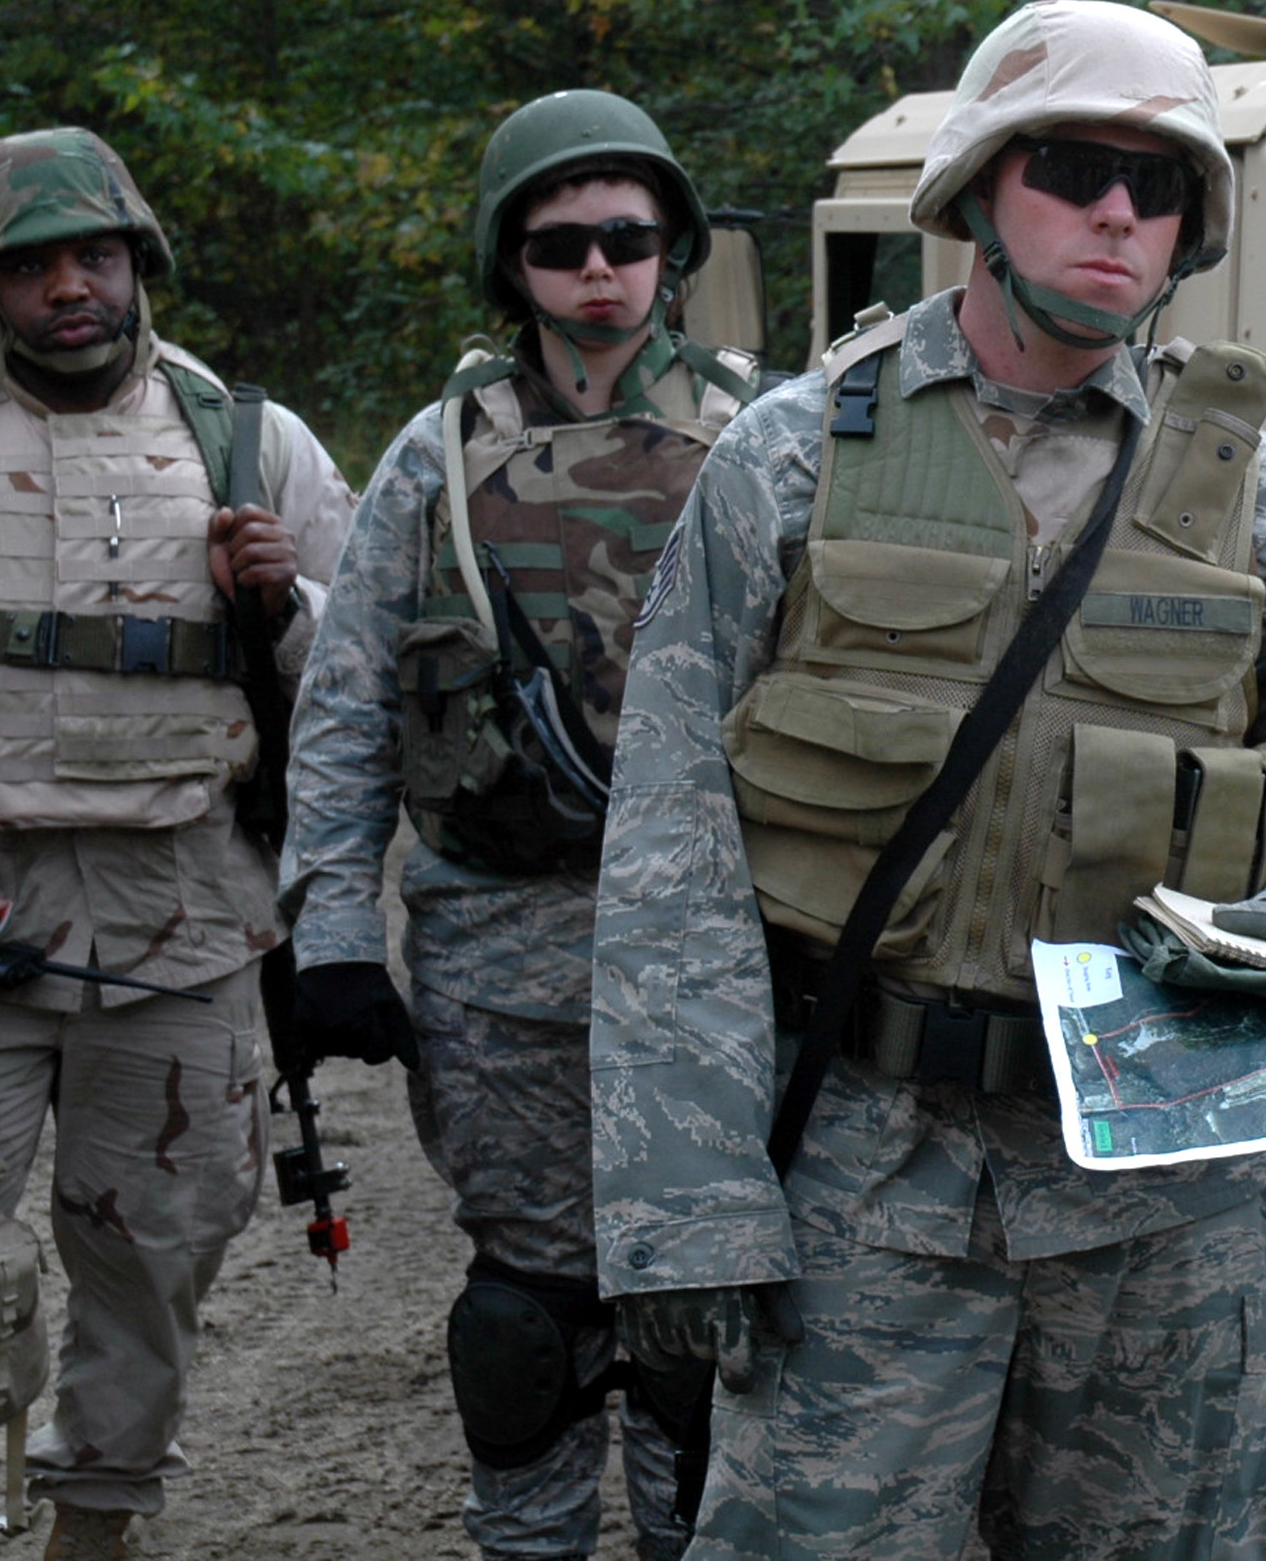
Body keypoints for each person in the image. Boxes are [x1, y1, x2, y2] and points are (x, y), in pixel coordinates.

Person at [590, 0, 1266, 1560]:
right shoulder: (793, 459)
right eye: (1076, 167)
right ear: (977, 193)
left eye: (1159, 188)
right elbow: (670, 837)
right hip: (869, 1177)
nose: (1116, 212)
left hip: (1166, 1193)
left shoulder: (1260, 501)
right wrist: (684, 1198)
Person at [280, 91, 755, 1561]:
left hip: (712, 960)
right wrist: (333, 932)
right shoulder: (437, 459)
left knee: (698, 1320)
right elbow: (350, 703)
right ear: (514, 266)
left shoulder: (768, 438)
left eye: (629, 238)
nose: (600, 272)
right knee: (527, 1324)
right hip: (500, 948)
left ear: (672, 248)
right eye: (562, 246)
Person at [0, 130, 352, 1561]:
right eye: (31, 265)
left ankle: (101, 1533)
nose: (69, 288)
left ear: (141, 261)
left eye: (94, 256)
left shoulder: (254, 444)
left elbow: (360, 694)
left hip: (187, 935)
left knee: (152, 1269)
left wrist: (285, 607)